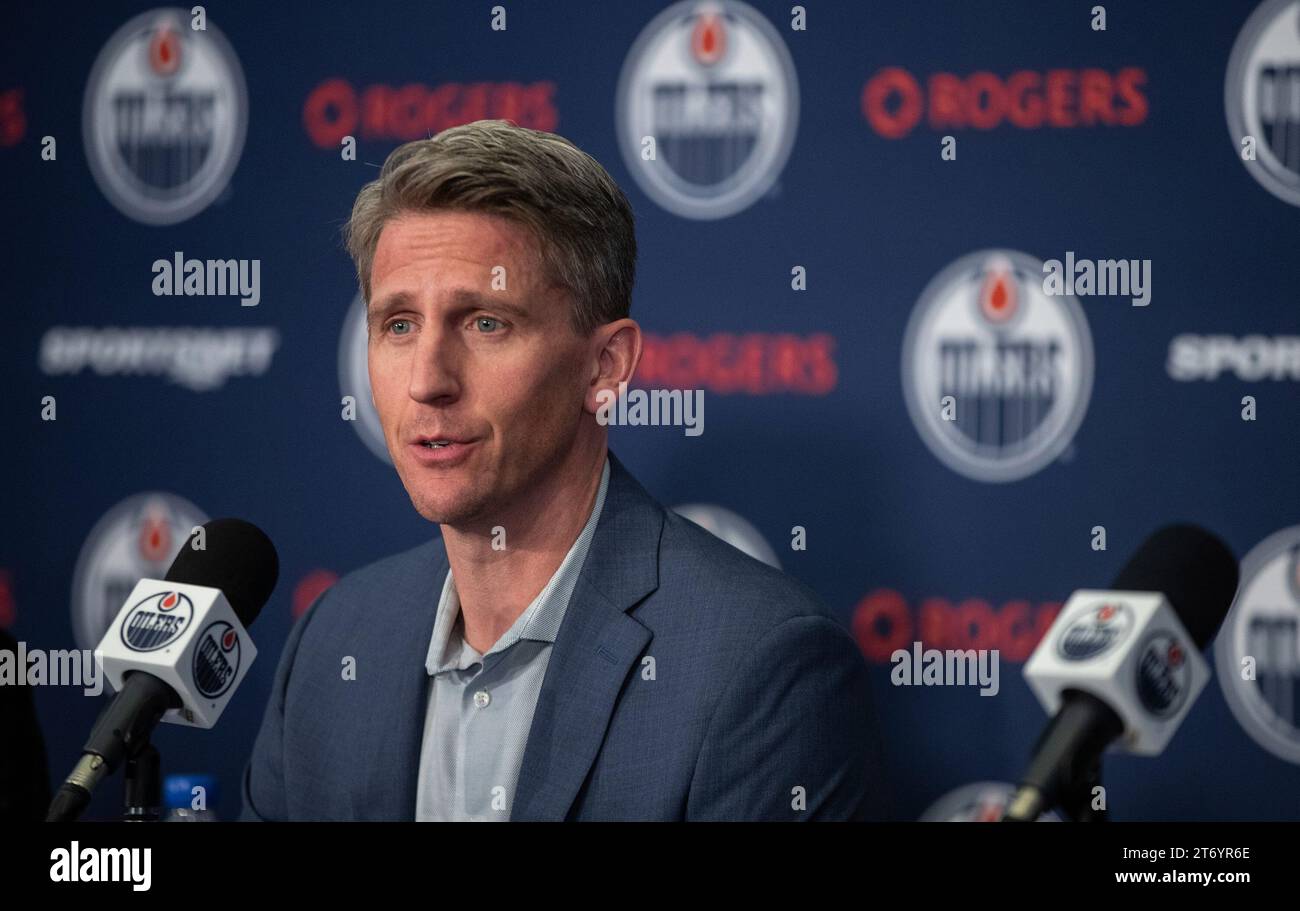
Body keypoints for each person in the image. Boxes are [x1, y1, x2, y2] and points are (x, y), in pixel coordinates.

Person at [240, 119, 887, 821]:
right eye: (398, 324)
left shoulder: (759, 666)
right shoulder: (334, 641)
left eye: (486, 322)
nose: (427, 380)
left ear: (604, 367)